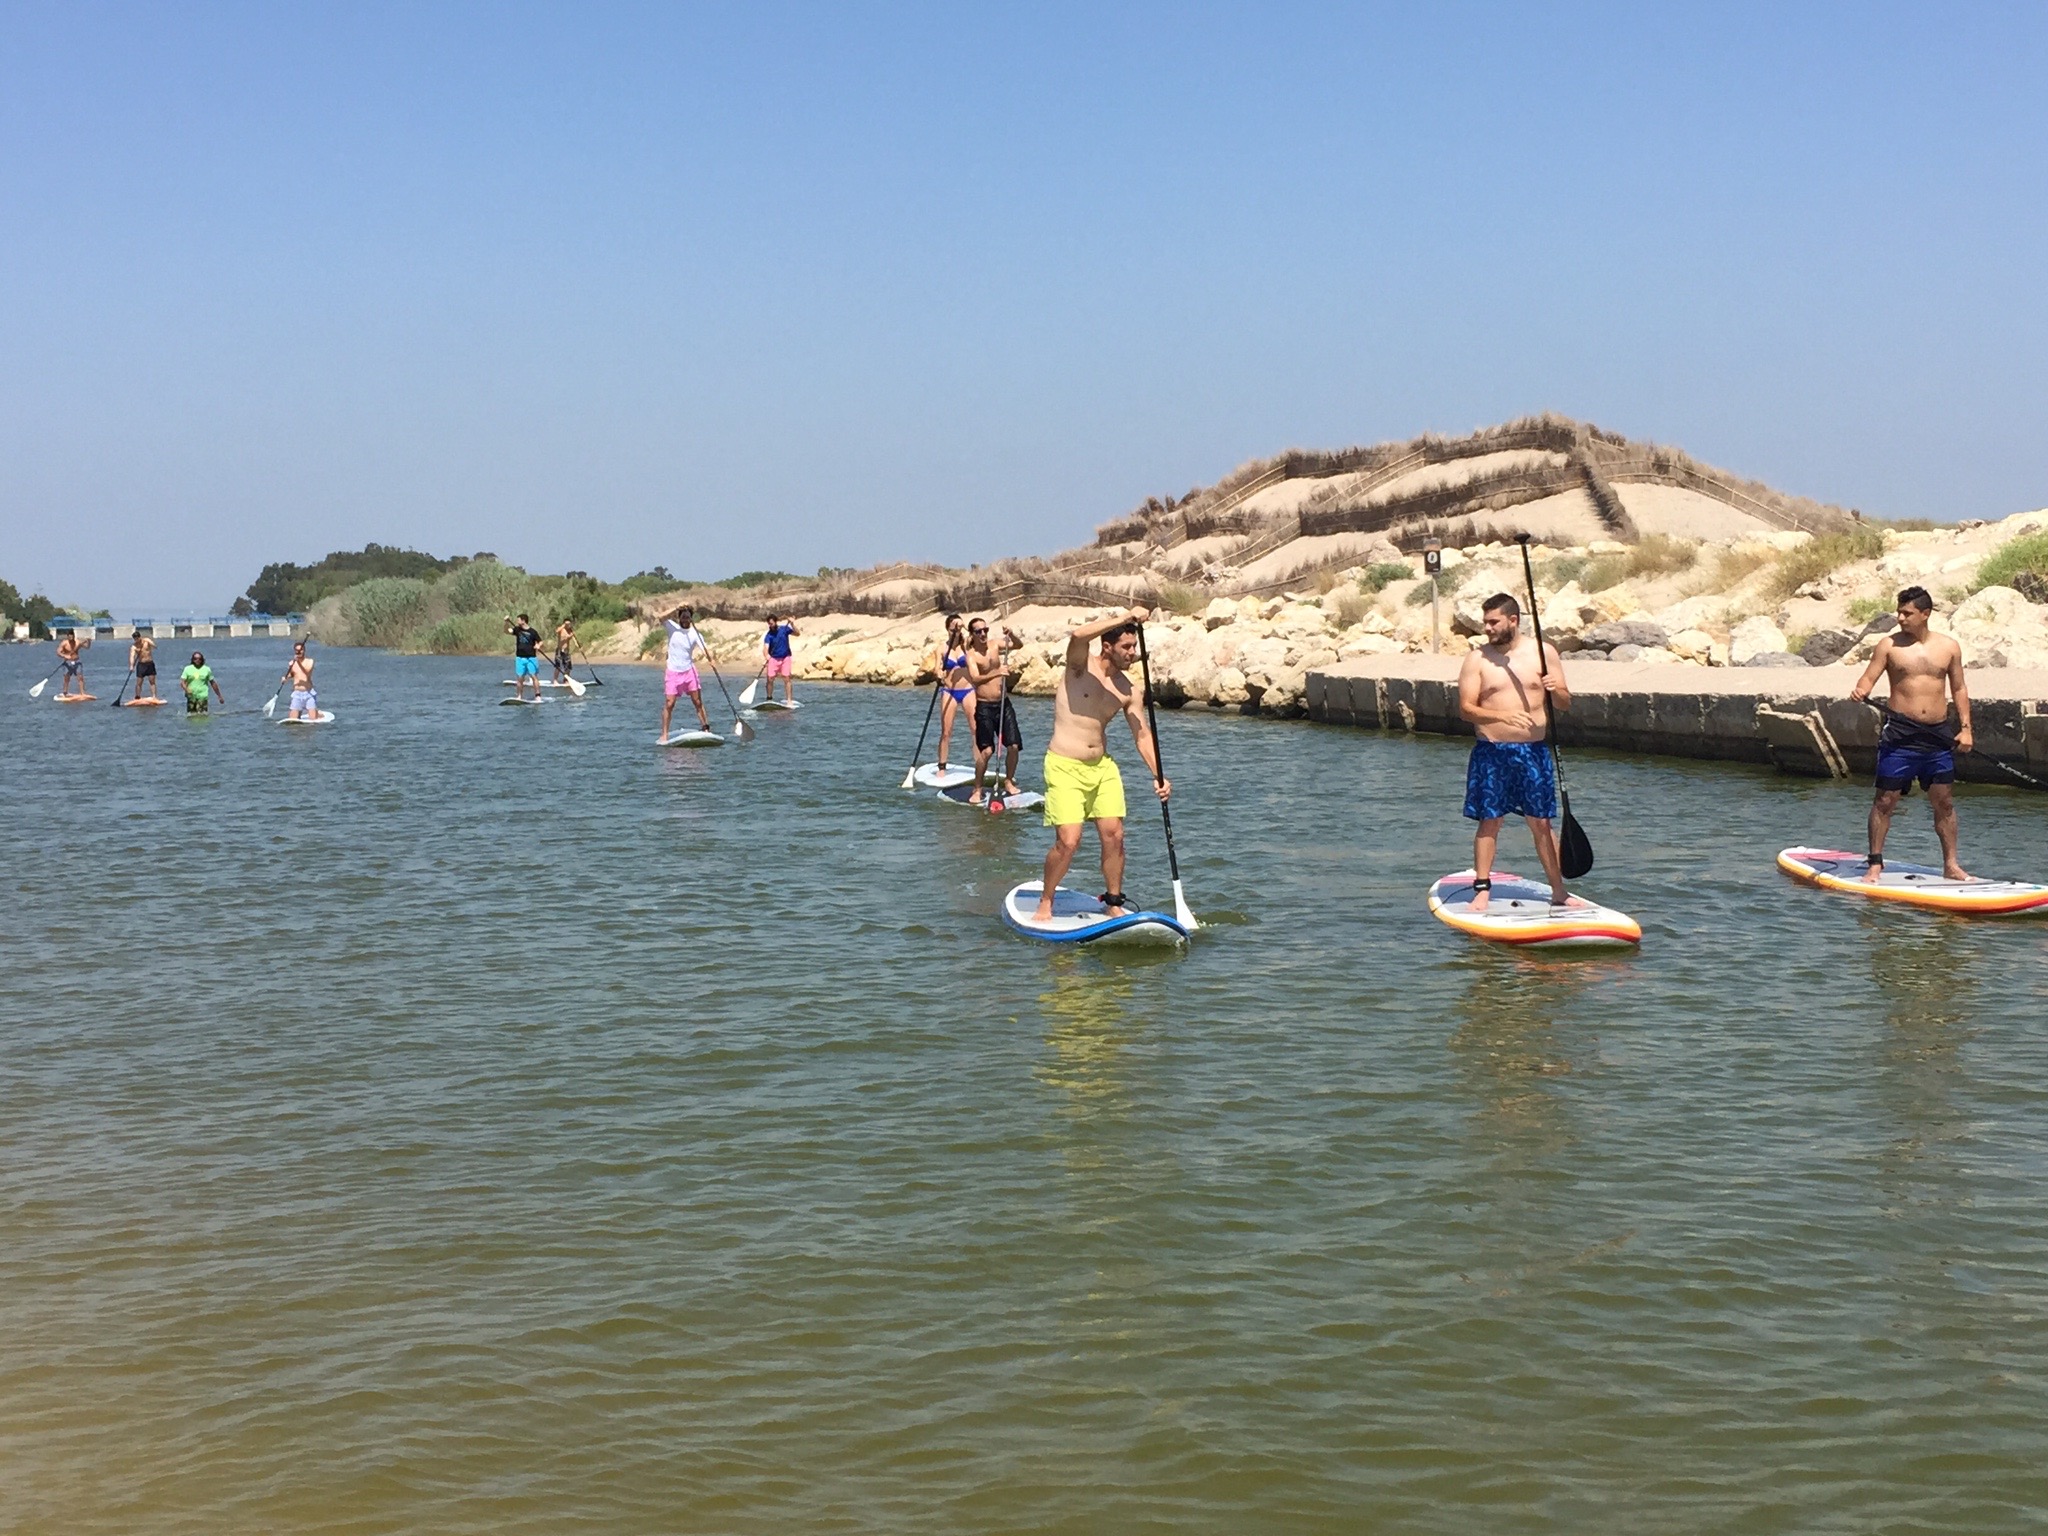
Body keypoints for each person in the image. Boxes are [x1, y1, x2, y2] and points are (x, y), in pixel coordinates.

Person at [1031, 608, 1171, 921]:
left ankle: (1113, 900)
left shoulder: (1129, 689)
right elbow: (1078, 635)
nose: (1133, 653)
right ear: (1107, 647)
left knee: (1114, 835)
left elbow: (1142, 735)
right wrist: (1124, 617)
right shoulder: (1080, 667)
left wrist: (1159, 775)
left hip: (1102, 767)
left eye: (1134, 647)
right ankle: (1046, 899)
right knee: (1068, 842)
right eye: (1126, 647)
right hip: (1064, 764)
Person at [1455, 593, 1580, 913]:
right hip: (1492, 752)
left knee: (1541, 823)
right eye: (1485, 622)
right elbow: (1466, 709)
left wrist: (1558, 689)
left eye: (1493, 621)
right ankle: (1481, 890)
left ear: (1513, 620)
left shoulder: (1543, 653)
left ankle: (1558, 891)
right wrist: (1501, 717)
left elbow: (1565, 703)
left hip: (1533, 753)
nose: (1487, 628)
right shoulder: (1477, 659)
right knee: (1490, 821)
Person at [1851, 585, 1973, 881]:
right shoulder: (1888, 646)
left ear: (1925, 614)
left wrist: (1966, 729)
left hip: (1938, 736)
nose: (1900, 618)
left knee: (1943, 801)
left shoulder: (1949, 646)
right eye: (1899, 612)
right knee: (1885, 800)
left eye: (1907, 613)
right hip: (1901, 736)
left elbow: (1959, 688)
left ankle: (1951, 865)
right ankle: (1875, 863)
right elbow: (1869, 676)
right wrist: (1861, 689)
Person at [965, 617, 1024, 804]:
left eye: (985, 630)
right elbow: (975, 678)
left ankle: (1008, 780)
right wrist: (998, 672)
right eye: (978, 631)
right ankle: (977, 788)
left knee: (1013, 746)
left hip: (1003, 704)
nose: (983, 634)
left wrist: (1011, 634)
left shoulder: (995, 645)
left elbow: (1018, 645)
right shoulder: (971, 655)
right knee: (987, 751)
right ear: (972, 635)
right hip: (984, 707)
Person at [660, 605, 713, 738]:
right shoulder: (672, 627)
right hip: (673, 671)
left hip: (689, 671)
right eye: (683, 617)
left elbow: (705, 649)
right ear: (679, 618)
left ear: (691, 618)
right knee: (669, 703)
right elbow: (660, 617)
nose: (685, 620)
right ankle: (664, 734)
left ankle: (705, 728)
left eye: (687, 617)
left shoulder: (695, 633)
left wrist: (711, 660)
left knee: (697, 702)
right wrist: (677, 607)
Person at [929, 614, 972, 771]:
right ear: (947, 629)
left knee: (975, 730)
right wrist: (938, 673)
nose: (957, 631)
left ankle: (979, 766)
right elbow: (936, 668)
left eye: (958, 628)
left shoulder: (966, 645)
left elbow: (974, 635)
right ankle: (942, 767)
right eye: (953, 628)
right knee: (946, 732)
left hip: (968, 690)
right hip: (949, 691)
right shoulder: (941, 649)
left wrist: (963, 624)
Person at [504, 612, 544, 701]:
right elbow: (507, 631)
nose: (517, 621)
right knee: (520, 678)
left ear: (523, 621)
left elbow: (540, 641)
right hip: (520, 658)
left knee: (534, 676)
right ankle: (519, 696)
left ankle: (538, 695)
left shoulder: (532, 632)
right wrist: (506, 623)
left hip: (531, 657)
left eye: (518, 620)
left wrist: (538, 646)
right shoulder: (517, 630)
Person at [761, 613, 800, 703]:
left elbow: (797, 634)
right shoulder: (769, 635)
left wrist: (792, 624)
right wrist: (766, 655)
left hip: (786, 657)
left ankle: (789, 700)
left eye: (772, 623)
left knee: (787, 678)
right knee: (770, 679)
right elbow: (765, 648)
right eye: (769, 624)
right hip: (773, 658)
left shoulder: (784, 629)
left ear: (775, 622)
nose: (770, 626)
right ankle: (769, 698)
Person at [283, 640, 318, 721]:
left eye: (301, 650)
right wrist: (285, 678)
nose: (299, 652)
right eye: (297, 651)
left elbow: (307, 672)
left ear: (304, 651)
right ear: (295, 651)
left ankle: (317, 713)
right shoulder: (291, 663)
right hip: (297, 694)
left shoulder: (310, 661)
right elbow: (292, 674)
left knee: (313, 719)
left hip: (308, 693)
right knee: (293, 719)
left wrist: (298, 662)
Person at [56, 629, 89, 697]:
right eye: (70, 637)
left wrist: (89, 641)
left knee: (80, 677)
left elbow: (87, 647)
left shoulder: (78, 642)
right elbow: (58, 652)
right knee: (66, 677)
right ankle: (65, 692)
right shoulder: (64, 643)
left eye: (72, 636)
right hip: (68, 662)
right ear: (67, 636)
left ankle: (82, 693)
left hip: (77, 661)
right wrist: (65, 656)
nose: (71, 638)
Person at [129, 631, 159, 701]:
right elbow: (132, 656)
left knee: (152, 681)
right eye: (135, 639)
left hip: (150, 663)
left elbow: (155, 646)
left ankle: (154, 696)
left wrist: (150, 642)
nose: (136, 640)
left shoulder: (146, 641)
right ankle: (137, 696)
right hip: (141, 665)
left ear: (140, 637)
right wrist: (131, 666)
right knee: (139, 682)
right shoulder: (134, 647)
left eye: (137, 638)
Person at [552, 618, 577, 685]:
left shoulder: (570, 631)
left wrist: (571, 637)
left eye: (569, 624)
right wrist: (564, 625)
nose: (568, 625)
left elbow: (573, 639)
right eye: (567, 624)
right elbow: (557, 631)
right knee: (558, 666)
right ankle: (555, 680)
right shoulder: (561, 629)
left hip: (566, 651)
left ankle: (566, 680)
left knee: (568, 667)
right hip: (560, 650)